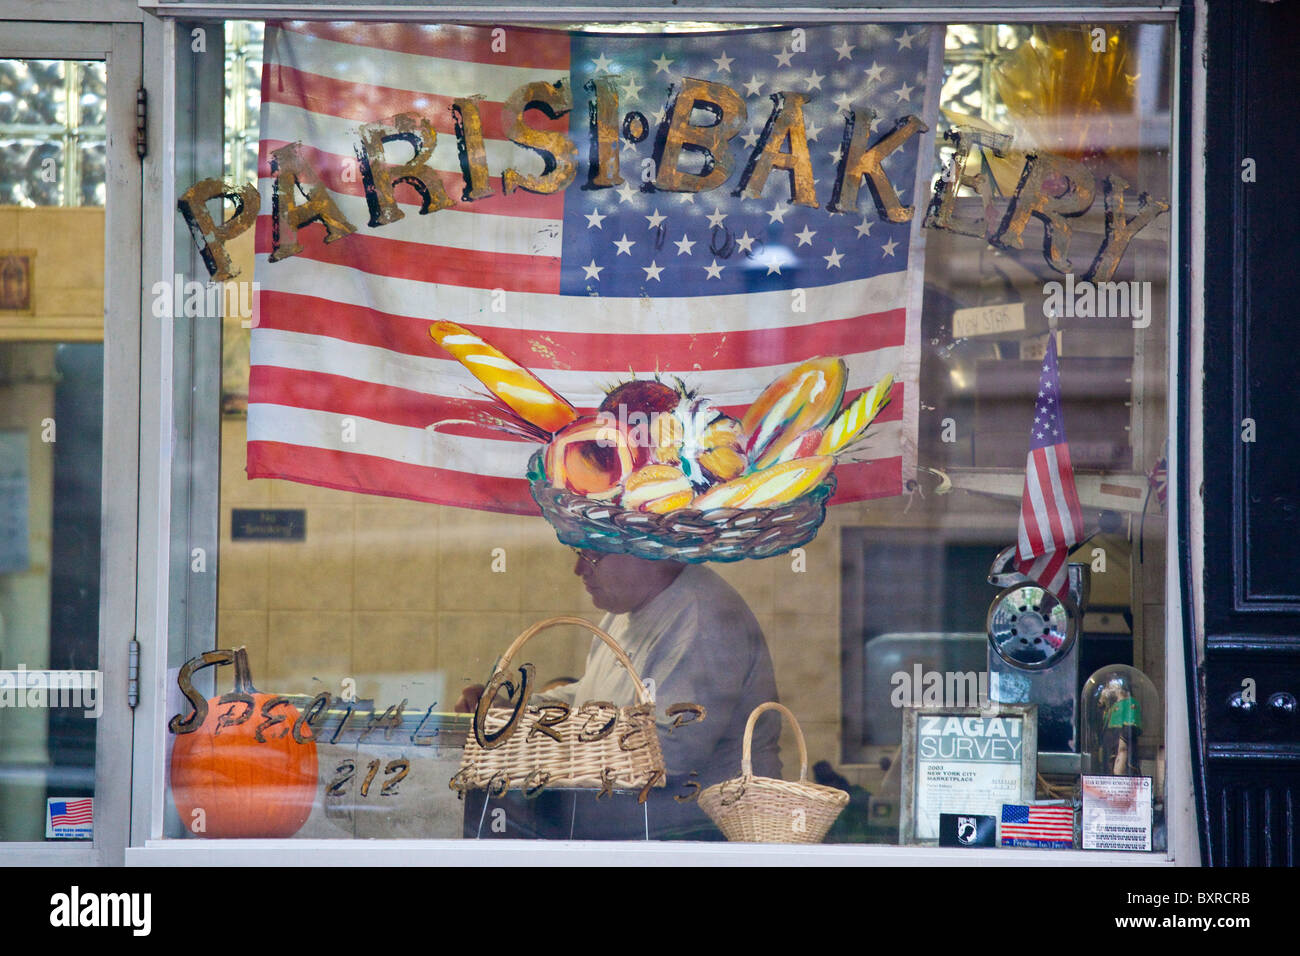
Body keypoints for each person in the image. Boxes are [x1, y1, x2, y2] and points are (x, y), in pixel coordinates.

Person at [456, 547, 782, 840]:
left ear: (643, 550)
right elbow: (588, 696)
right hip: (629, 839)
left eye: (591, 555)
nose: (579, 569)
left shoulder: (703, 615)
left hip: (689, 843)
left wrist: (537, 740)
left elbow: (669, 753)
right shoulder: (626, 610)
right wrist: (511, 709)